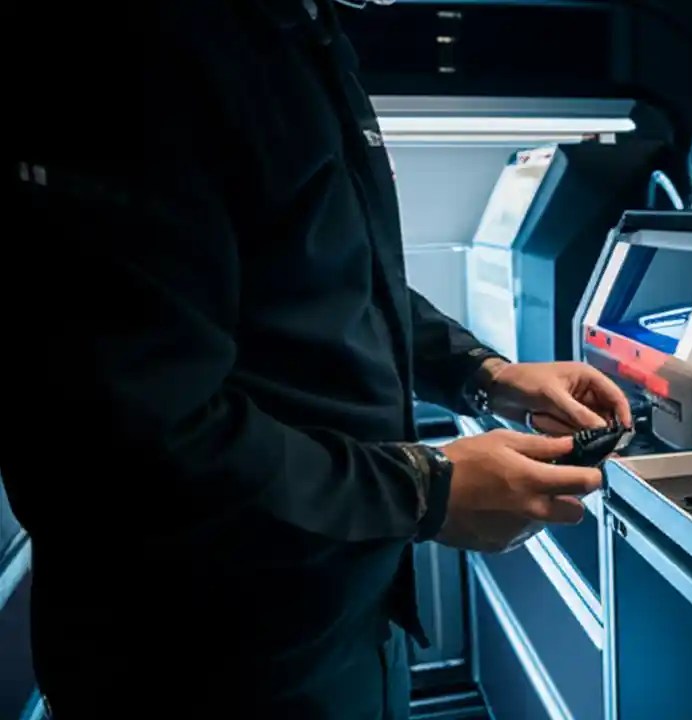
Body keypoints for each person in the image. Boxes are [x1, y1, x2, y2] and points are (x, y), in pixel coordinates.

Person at [1, 0, 632, 717]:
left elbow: (333, 270)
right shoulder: (130, 46)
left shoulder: (302, 34)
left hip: (344, 611)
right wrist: (425, 492)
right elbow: (134, 437)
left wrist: (483, 374)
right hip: (207, 661)